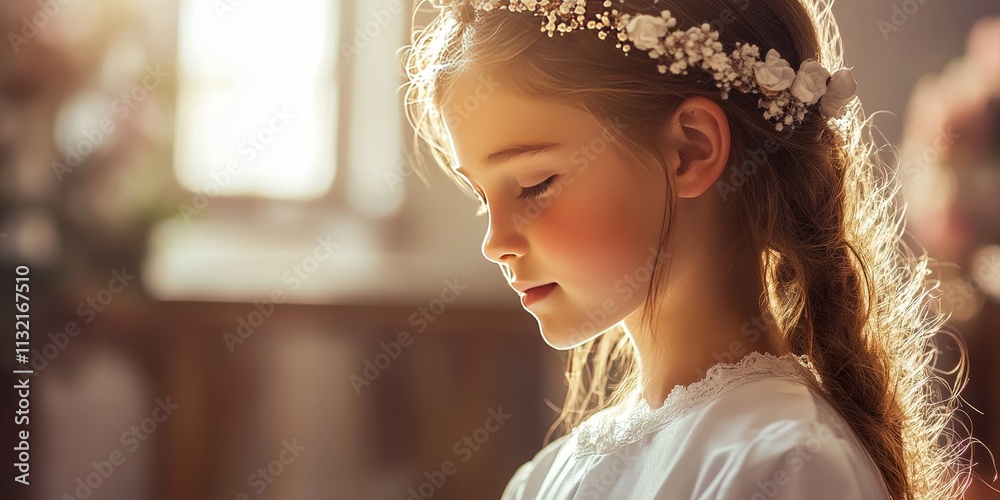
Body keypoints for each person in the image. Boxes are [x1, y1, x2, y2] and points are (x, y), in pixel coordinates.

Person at [402, 0, 972, 498]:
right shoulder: (547, 478)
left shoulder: (784, 464)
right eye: (483, 197)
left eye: (533, 185)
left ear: (690, 151)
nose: (494, 242)